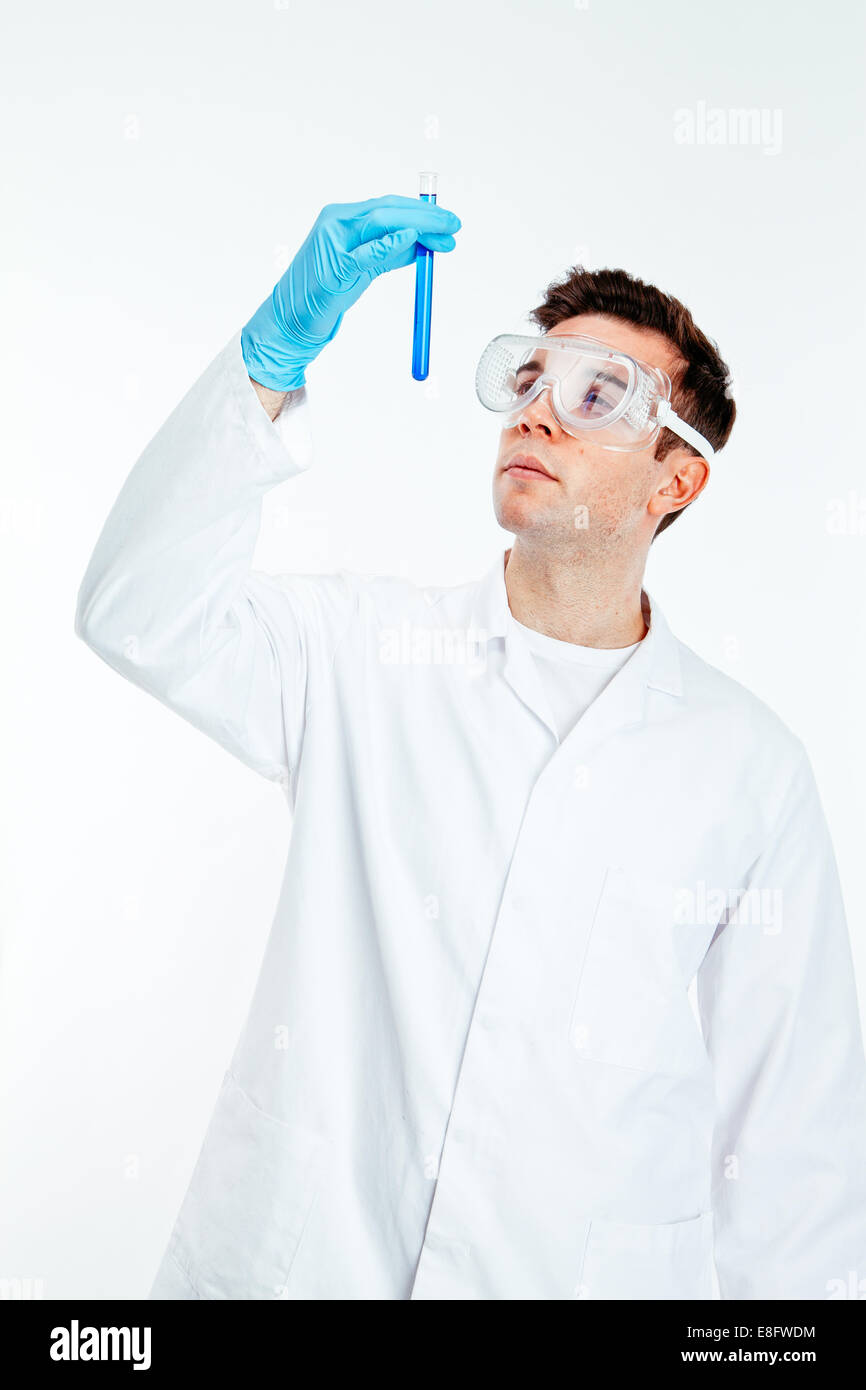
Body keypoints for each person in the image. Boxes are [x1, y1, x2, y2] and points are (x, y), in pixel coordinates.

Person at [75, 196, 866, 1301]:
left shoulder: (752, 770)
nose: (537, 414)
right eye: (530, 380)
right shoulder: (358, 655)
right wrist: (270, 358)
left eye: (597, 396)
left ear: (674, 479)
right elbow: (135, 609)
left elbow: (792, 1146)